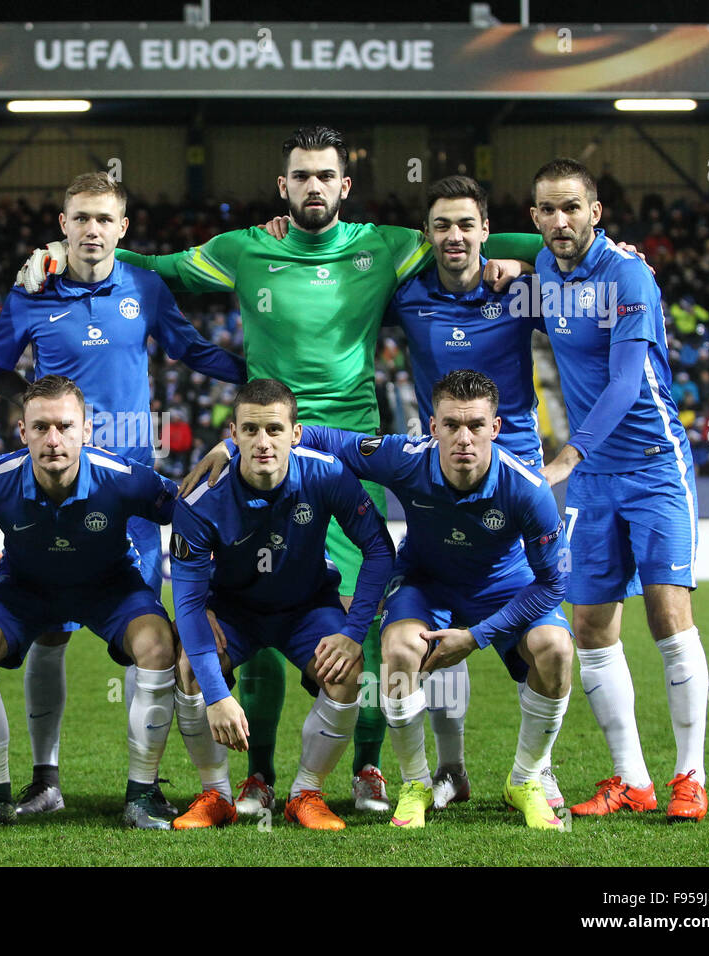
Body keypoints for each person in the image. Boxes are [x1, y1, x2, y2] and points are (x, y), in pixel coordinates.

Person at [20, 126, 544, 816]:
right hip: (262, 445)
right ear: (284, 186)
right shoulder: (245, 248)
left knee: (359, 616)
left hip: (349, 454)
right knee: (258, 604)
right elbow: (164, 266)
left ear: (343, 185)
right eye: (302, 177)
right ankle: (258, 777)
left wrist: (583, 253)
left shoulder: (384, 244)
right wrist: (61, 251)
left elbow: (475, 238)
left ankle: (366, 771)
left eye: (326, 176)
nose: (314, 187)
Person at [0, 171, 246, 815]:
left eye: (103, 219)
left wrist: (259, 380)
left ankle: (144, 786)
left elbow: (191, 349)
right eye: (79, 218)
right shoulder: (31, 297)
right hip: (53, 485)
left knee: (149, 644)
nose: (91, 230)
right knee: (48, 636)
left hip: (128, 499)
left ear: (122, 229)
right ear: (63, 225)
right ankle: (45, 779)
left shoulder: (144, 286)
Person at [192, 370, 573, 829]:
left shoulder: (527, 490)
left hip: (503, 586)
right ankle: (415, 784)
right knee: (397, 648)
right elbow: (313, 435)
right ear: (432, 427)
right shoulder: (404, 458)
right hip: (426, 581)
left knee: (556, 648)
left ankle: (527, 778)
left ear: (495, 428)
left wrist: (477, 636)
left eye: (475, 425)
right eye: (451, 425)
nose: (463, 438)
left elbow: (553, 584)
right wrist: (233, 446)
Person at [531, 159, 708, 822]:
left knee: (667, 615)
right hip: (596, 483)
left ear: (596, 212)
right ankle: (630, 779)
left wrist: (569, 454)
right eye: (548, 210)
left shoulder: (628, 273)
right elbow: (497, 243)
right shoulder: (545, 264)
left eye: (572, 207)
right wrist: (500, 262)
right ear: (534, 219)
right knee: (592, 626)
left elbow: (627, 382)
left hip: (655, 465)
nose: (560, 221)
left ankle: (689, 776)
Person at [381, 174, 558, 810]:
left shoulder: (520, 292)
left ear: (486, 229)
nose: (454, 237)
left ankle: (537, 770)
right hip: (444, 467)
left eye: (466, 225)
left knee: (542, 639)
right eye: (441, 226)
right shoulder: (405, 296)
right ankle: (449, 770)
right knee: (441, 619)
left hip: (513, 473)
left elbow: (577, 257)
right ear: (426, 236)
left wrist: (527, 257)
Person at [0, 375, 180, 831]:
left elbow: (193, 509)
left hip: (109, 587)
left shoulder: (125, 478)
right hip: (25, 590)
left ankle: (142, 794)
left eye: (66, 427)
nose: (53, 439)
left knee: (158, 645)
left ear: (86, 431)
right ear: (22, 432)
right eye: (41, 427)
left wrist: (200, 605)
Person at [169, 379, 394, 830]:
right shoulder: (199, 499)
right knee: (191, 668)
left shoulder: (327, 473)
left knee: (346, 671)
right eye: (250, 430)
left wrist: (351, 634)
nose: (262, 442)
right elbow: (189, 604)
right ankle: (216, 795)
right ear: (231, 434)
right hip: (233, 611)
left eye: (274, 429)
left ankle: (305, 794)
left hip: (306, 609)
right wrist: (217, 696)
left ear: (296, 433)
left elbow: (379, 549)